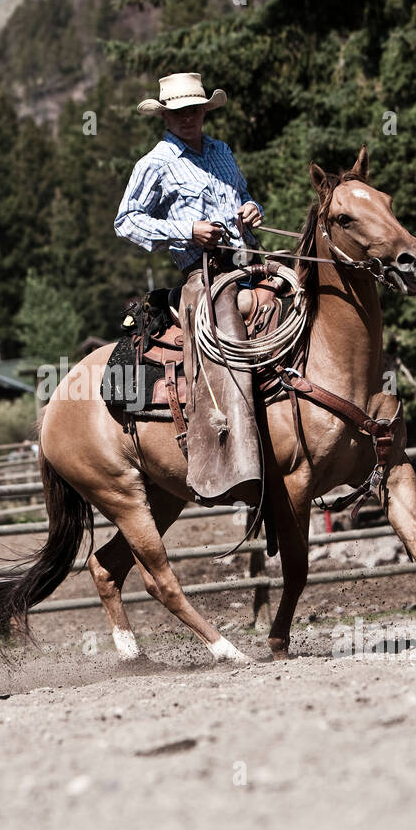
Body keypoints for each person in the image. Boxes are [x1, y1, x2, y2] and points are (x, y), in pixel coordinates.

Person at [114, 72, 262, 506]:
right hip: (206, 276)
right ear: (165, 116)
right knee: (229, 332)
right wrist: (186, 230)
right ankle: (230, 453)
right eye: (177, 112)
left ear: (203, 110)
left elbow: (244, 196)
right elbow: (126, 220)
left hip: (251, 263)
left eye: (193, 110)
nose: (187, 118)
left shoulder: (221, 150)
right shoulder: (155, 163)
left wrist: (252, 209)